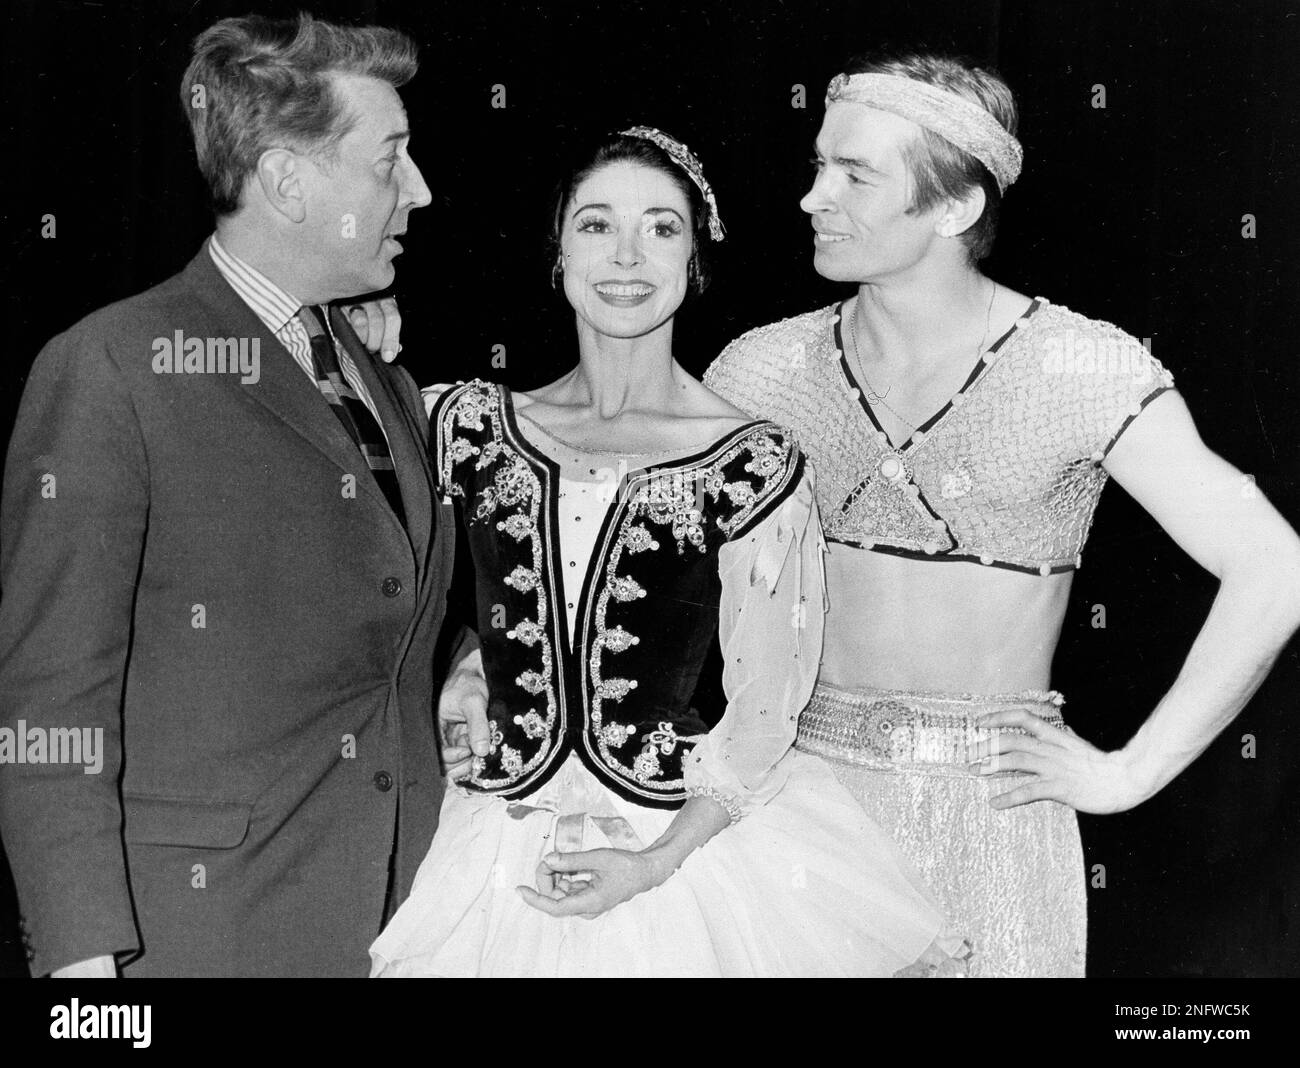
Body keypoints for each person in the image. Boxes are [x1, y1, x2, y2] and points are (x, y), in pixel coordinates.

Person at [698, 52, 1300, 976]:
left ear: (955, 207)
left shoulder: (1075, 369)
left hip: (995, 824)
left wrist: (1128, 772)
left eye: (855, 174)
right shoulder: (761, 372)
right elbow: (624, 536)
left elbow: (1276, 566)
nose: (814, 197)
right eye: (819, 165)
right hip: (798, 813)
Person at [368, 127, 968, 977]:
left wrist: (654, 865)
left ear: (694, 261)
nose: (626, 256)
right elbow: (368, 559)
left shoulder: (749, 461)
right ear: (557, 253)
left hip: (675, 858)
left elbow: (766, 704)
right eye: (595, 225)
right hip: (487, 849)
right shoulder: (461, 425)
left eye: (660, 228)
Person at [0, 13, 459, 977]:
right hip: (203, 941)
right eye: (391, 161)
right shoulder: (112, 368)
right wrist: (83, 973)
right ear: (290, 181)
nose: (419, 192)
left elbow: (396, 617)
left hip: (406, 925)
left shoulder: (382, 375)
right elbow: (52, 698)